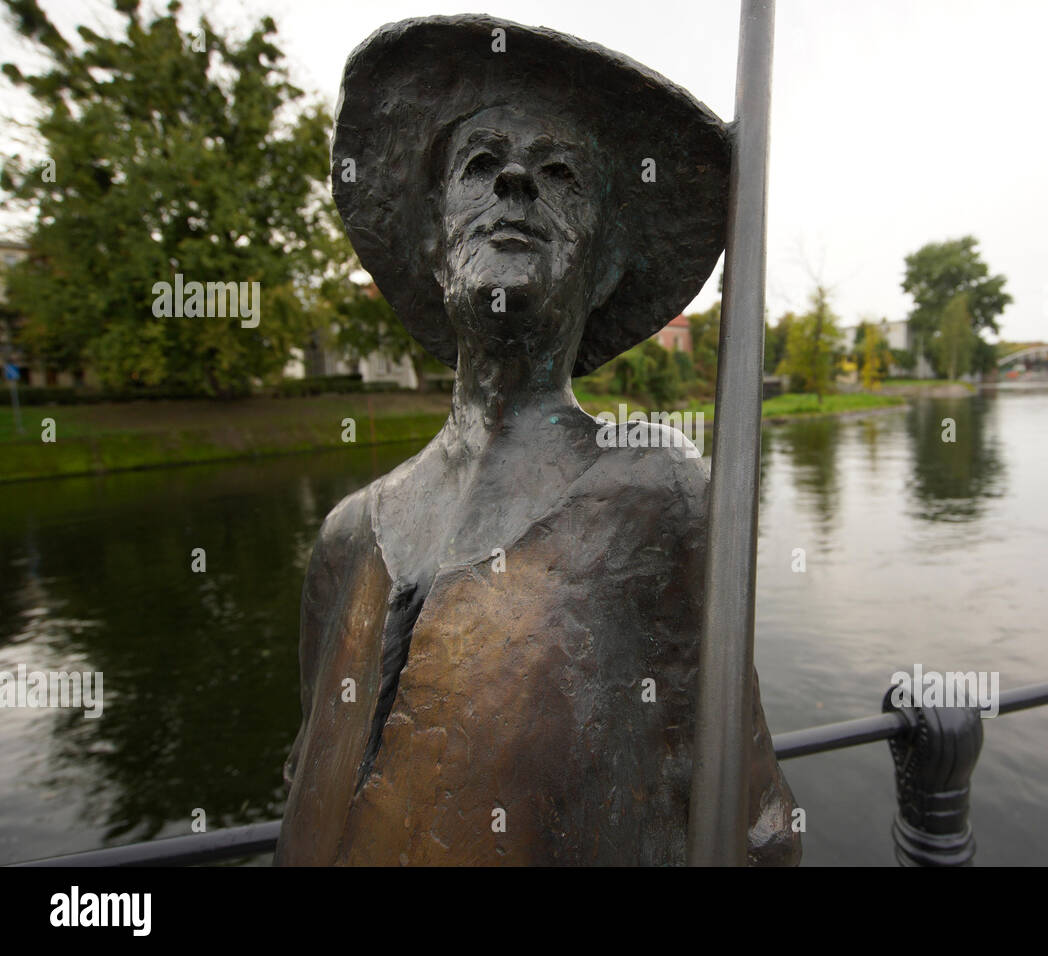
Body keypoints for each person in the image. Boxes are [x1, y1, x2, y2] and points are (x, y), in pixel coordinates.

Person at [275, 14, 800, 866]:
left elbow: (756, 823)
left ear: (609, 264)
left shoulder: (656, 495)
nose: (515, 179)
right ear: (432, 242)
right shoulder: (344, 538)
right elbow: (303, 778)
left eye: (560, 174)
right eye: (480, 165)